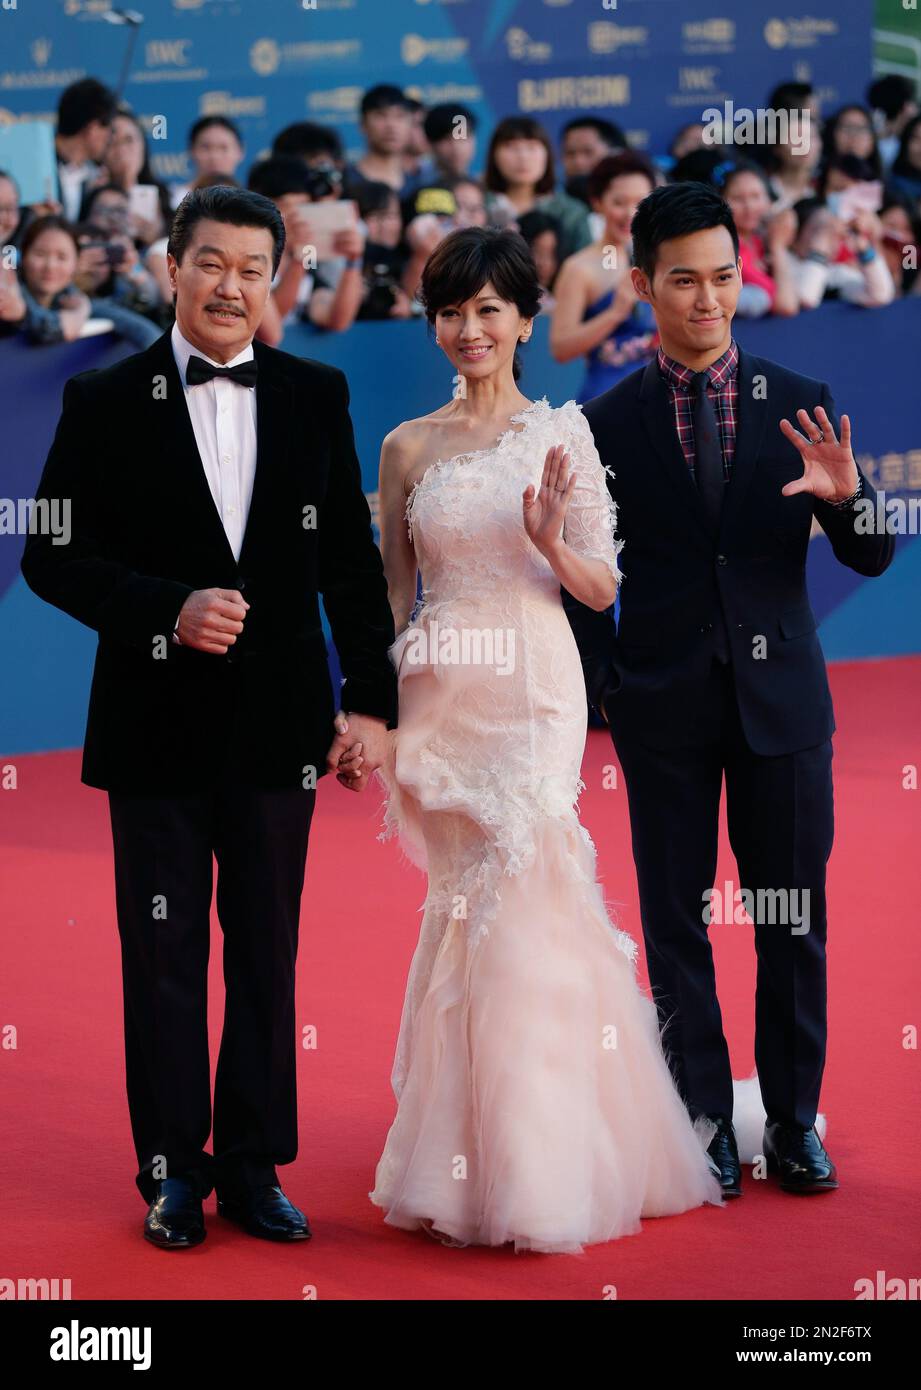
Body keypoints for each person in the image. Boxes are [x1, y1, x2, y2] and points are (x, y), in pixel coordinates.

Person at [20, 185, 398, 1250]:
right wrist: (164, 608)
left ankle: (251, 1164)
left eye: (254, 268)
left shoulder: (316, 392)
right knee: (163, 954)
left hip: (282, 726)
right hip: (153, 728)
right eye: (211, 264)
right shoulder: (101, 400)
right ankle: (172, 1172)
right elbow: (50, 552)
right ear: (169, 266)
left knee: (266, 953)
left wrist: (371, 698)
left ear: (278, 278)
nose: (232, 286)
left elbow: (350, 567)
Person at [363, 225, 725, 1253]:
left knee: (529, 894)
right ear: (433, 323)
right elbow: (392, 593)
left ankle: (544, 1160)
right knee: (463, 906)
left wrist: (550, 541)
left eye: (489, 310)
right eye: (451, 311)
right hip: (444, 693)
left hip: (533, 688)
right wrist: (379, 715)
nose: (470, 330)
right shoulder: (405, 445)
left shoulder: (562, 431)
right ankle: (464, 1146)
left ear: (526, 320)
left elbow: (605, 586)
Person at [562, 182, 895, 1199]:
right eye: (684, 281)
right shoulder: (600, 423)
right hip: (661, 706)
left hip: (784, 706)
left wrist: (849, 506)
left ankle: (794, 1121)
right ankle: (703, 1119)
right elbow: (581, 576)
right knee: (675, 922)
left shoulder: (799, 398)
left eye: (723, 276)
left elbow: (873, 553)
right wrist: (606, 686)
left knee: (793, 914)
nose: (709, 299)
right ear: (643, 282)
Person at [550, 153, 658, 402]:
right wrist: (614, 314)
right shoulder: (579, 268)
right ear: (597, 202)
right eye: (619, 202)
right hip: (607, 399)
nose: (630, 213)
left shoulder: (662, 260)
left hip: (660, 396)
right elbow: (561, 347)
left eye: (640, 202)